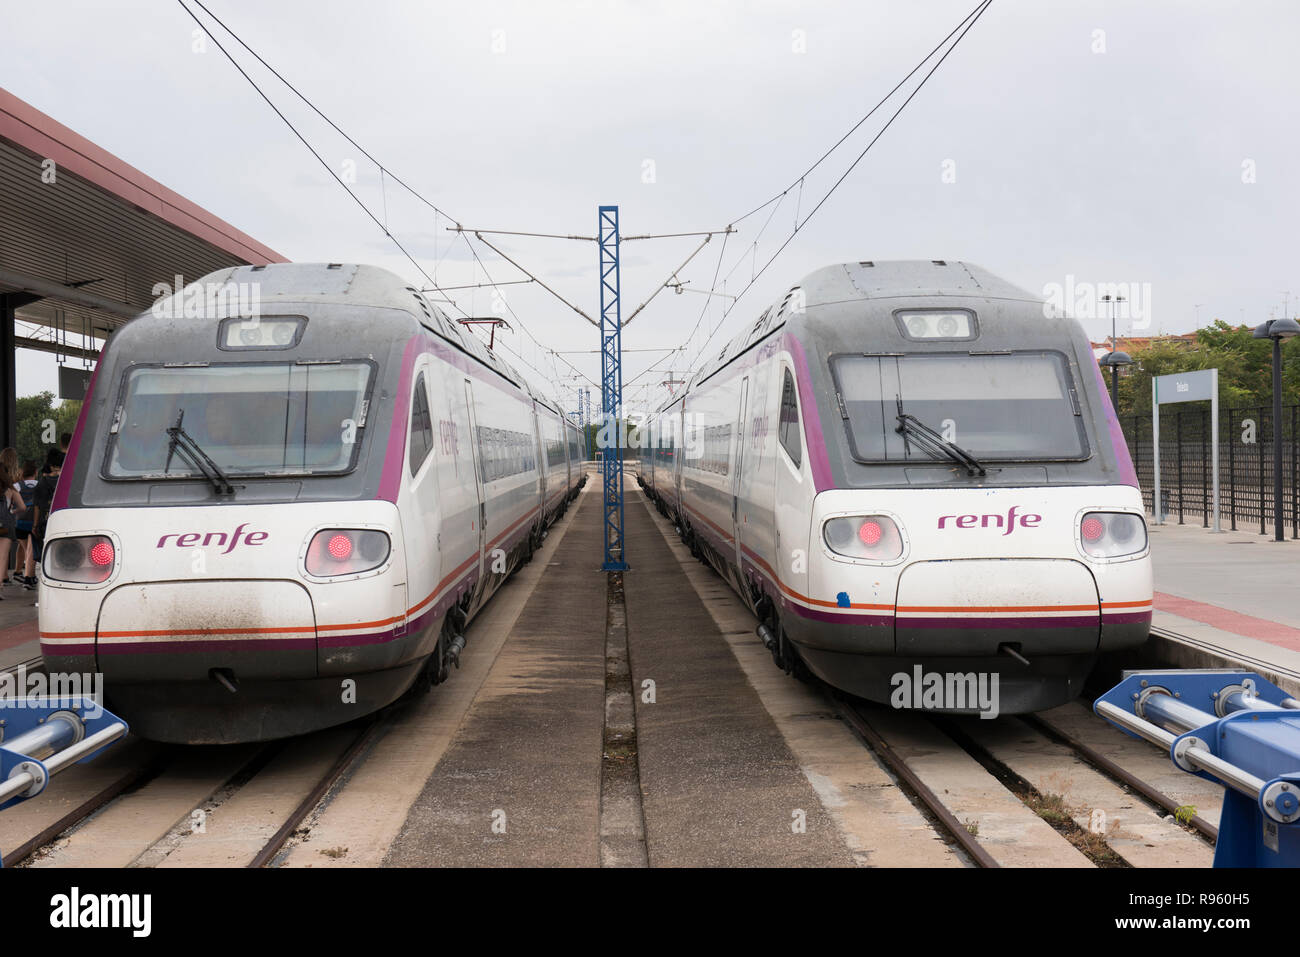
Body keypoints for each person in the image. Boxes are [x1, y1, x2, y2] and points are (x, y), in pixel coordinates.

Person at [0, 448, 27, 594]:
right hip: (6, 522)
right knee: (3, 555)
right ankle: (2, 581)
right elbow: (22, 506)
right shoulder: (12, 484)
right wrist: (12, 511)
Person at [14, 461, 38, 588]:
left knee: (26, 549)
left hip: (19, 523)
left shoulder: (16, 486)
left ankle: (30, 576)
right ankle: (30, 578)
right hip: (33, 522)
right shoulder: (39, 485)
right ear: (36, 472)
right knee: (32, 551)